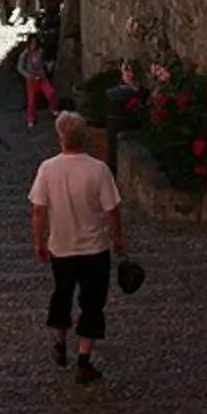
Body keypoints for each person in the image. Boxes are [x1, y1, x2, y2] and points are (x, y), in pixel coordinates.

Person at [29, 110, 126, 384]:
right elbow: (113, 210)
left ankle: (59, 344)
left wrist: (39, 241)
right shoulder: (98, 170)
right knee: (92, 303)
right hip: (94, 249)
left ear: (60, 136)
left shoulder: (48, 169)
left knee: (62, 294)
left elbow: (38, 210)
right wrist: (118, 238)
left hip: (61, 247)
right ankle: (84, 359)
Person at [17, 32, 58, 129]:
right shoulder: (25, 55)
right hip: (31, 80)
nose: (34, 44)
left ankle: (53, 109)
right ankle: (31, 119)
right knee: (31, 100)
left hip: (42, 77)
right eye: (32, 42)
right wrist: (28, 75)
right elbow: (20, 67)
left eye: (36, 42)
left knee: (51, 93)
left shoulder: (40, 52)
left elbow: (43, 64)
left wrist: (48, 67)